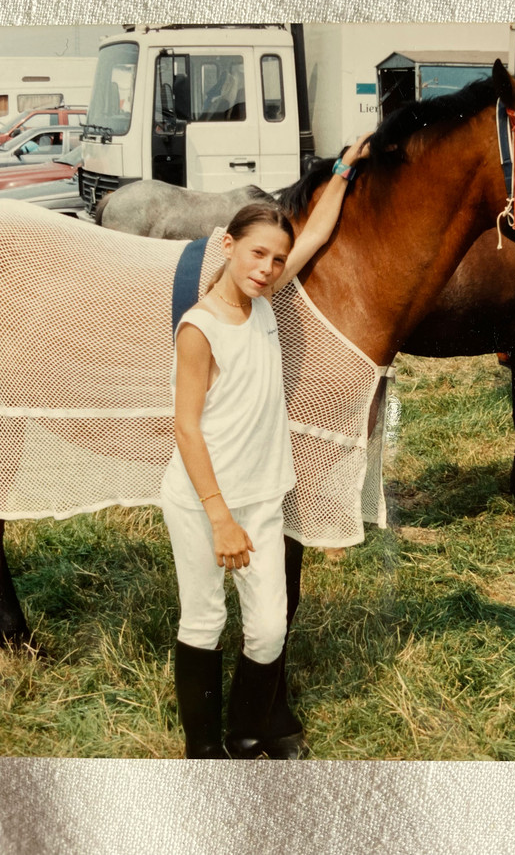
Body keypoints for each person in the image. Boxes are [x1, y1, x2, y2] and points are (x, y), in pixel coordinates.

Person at [161, 134, 371, 760]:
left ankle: (246, 731)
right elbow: (186, 428)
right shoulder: (199, 327)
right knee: (205, 621)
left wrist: (341, 172)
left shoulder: (265, 303)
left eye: (277, 261)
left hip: (262, 497)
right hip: (205, 502)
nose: (268, 268)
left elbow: (311, 236)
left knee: (269, 628)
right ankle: (204, 755)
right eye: (257, 254)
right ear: (227, 246)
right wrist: (220, 517)